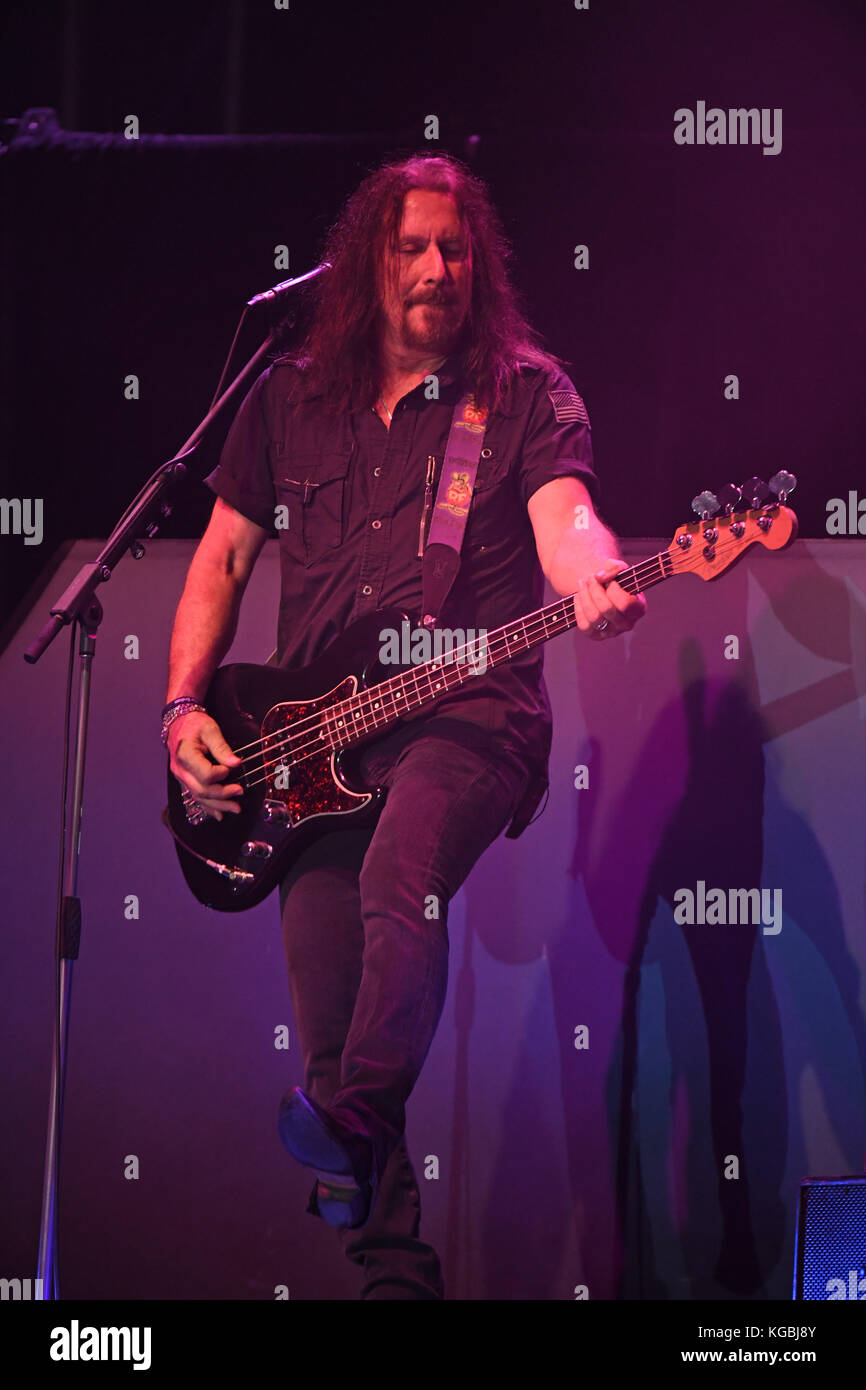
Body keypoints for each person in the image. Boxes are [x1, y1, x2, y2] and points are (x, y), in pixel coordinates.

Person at [162, 152, 646, 1300]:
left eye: (454, 249)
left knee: (400, 876)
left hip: (466, 712)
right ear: (365, 266)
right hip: (308, 741)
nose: (436, 269)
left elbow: (565, 518)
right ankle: (392, 1275)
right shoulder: (287, 394)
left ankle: (360, 1112)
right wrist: (182, 703)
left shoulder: (522, 394)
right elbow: (222, 558)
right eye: (410, 248)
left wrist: (596, 573)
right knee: (324, 999)